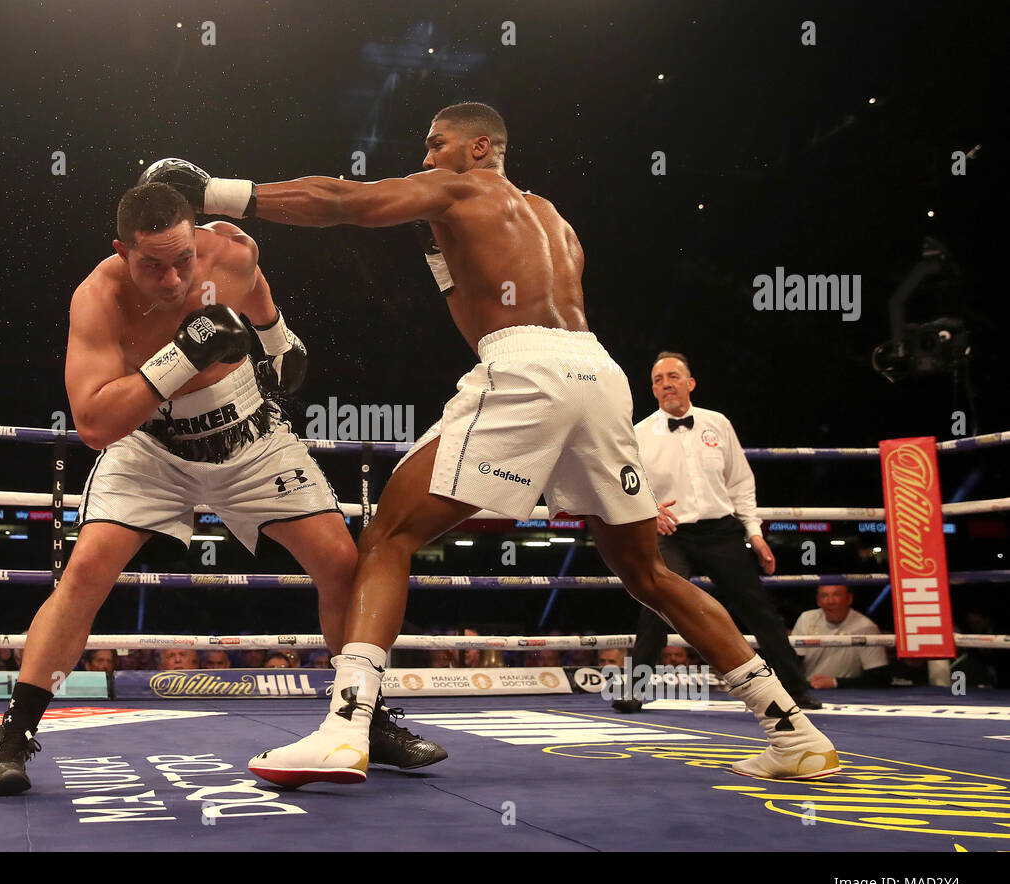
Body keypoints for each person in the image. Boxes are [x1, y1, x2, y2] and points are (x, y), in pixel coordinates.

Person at [161, 100, 839, 784]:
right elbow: (482, 297)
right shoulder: (555, 220)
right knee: (648, 573)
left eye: (437, 144)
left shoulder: (464, 186)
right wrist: (440, 250)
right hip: (598, 373)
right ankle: (794, 731)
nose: (426, 159)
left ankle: (344, 728)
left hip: (526, 366)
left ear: (481, 146)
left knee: (388, 536)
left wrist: (215, 192)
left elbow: (347, 200)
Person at [0, 183, 444, 796]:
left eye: (181, 260)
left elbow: (259, 293)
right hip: (152, 446)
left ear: (197, 237)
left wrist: (276, 337)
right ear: (121, 251)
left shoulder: (230, 255)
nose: (171, 280)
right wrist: (180, 356)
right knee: (86, 571)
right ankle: (12, 737)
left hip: (250, 436)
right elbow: (92, 424)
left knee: (341, 565)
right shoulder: (98, 298)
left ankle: (364, 719)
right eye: (151, 265)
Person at [615, 352, 820, 711]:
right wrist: (650, 509)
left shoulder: (718, 423)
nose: (666, 383)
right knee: (657, 602)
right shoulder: (640, 433)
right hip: (670, 532)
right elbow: (630, 484)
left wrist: (754, 533)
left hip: (721, 531)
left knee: (757, 607)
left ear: (690, 383)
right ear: (652, 389)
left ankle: (796, 688)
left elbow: (740, 482)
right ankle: (634, 689)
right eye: (659, 379)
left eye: (673, 376)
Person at [790, 586, 889, 688]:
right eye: (824, 596)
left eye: (836, 595)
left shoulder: (866, 627)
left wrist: (835, 682)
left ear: (849, 599)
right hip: (809, 689)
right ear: (818, 601)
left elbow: (878, 677)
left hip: (849, 693)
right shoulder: (807, 619)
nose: (830, 601)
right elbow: (793, 662)